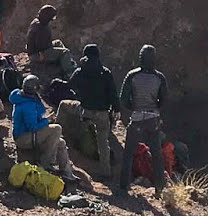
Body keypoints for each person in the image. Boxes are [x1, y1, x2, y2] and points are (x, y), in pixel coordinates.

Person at [118, 44, 169, 194]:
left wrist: (133, 107)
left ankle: (124, 186)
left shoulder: (132, 75)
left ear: (140, 58)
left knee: (128, 152)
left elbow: (123, 98)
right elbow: (165, 100)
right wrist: (156, 107)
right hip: (153, 117)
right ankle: (159, 187)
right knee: (156, 153)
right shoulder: (159, 77)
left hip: (137, 116)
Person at [70, 43, 120, 179]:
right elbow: (113, 94)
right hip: (103, 113)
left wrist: (79, 96)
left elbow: (70, 85)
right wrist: (117, 109)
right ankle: (106, 171)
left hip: (85, 111)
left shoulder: (80, 71)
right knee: (103, 142)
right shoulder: (105, 72)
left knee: (69, 113)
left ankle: (79, 162)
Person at [9, 74, 71, 174]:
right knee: (56, 129)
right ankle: (46, 162)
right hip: (23, 138)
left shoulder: (23, 97)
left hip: (26, 134)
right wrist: (47, 120)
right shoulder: (28, 105)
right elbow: (32, 127)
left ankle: (67, 173)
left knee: (61, 142)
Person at [26, 5, 60, 82]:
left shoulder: (36, 22)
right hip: (38, 54)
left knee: (58, 43)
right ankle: (70, 72)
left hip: (34, 51)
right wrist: (51, 50)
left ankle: (64, 62)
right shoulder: (41, 28)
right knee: (64, 52)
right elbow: (41, 46)